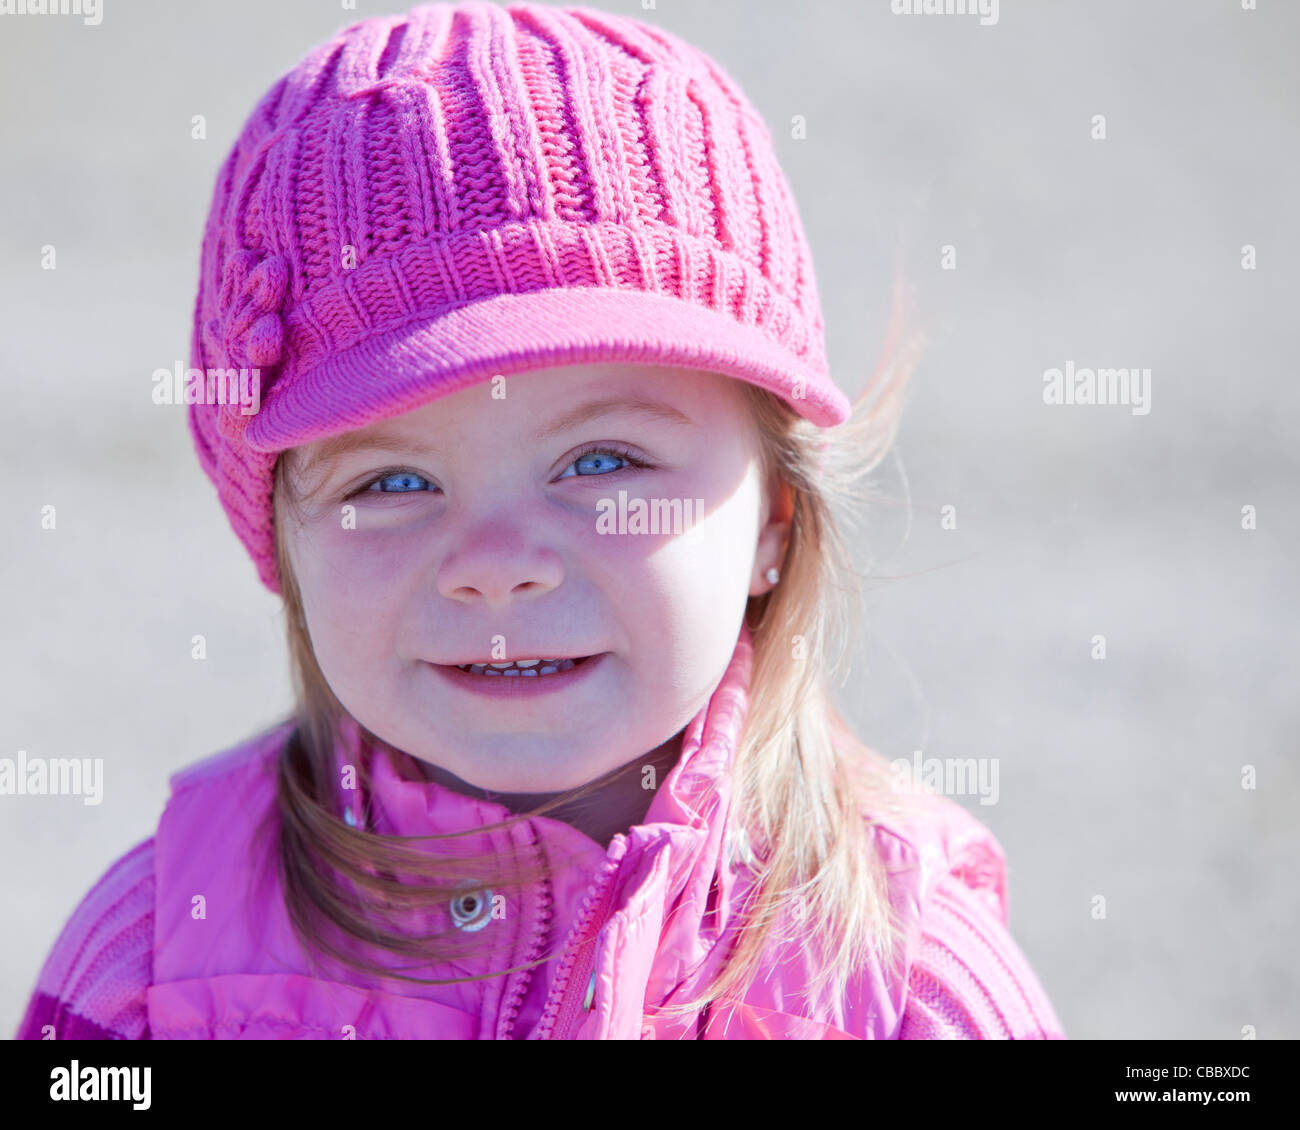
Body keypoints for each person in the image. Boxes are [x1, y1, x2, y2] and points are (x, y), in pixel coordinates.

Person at [15, 0, 1064, 1039]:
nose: (494, 567)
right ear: (283, 537)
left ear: (773, 516)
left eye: (602, 461)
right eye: (387, 481)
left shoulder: (902, 976)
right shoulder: (155, 962)